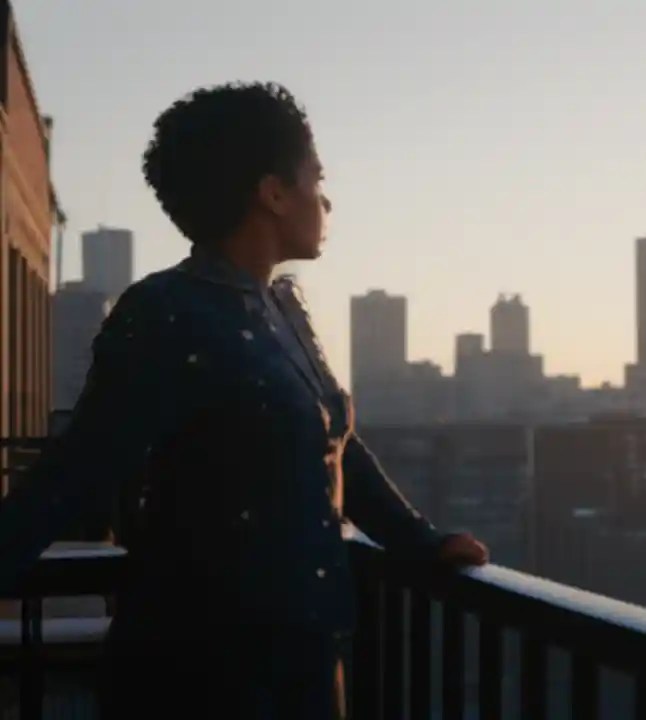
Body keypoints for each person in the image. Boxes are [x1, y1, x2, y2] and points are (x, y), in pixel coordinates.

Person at [0, 82, 488, 718]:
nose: (326, 197)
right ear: (273, 192)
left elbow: (335, 446)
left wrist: (422, 541)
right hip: (200, 668)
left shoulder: (288, 306)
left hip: (306, 653)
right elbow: (79, 468)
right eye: (316, 177)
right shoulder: (165, 312)